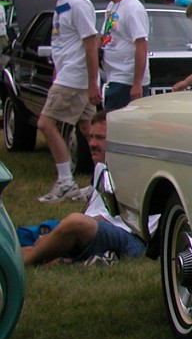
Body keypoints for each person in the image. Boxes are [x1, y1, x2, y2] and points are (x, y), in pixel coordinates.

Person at [21, 113, 146, 267]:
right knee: (27, 234)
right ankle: (57, 258)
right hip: (90, 231)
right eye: (91, 137)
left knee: (75, 222)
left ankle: (26, 263)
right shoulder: (102, 168)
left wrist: (53, 238)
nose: (92, 143)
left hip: (130, 239)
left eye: (100, 138)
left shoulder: (142, 174)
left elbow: (142, 230)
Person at [34, 0, 101, 203]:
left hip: (75, 78)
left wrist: (92, 82)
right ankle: (106, 181)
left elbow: (90, 44)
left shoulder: (78, 3)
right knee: (89, 130)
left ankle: (65, 182)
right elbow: (65, 42)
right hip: (69, 74)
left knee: (46, 124)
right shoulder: (64, 1)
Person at [88, 0, 151, 110]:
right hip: (113, 77)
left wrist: (137, 84)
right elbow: (105, 36)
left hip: (126, 80)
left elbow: (141, 46)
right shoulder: (112, 5)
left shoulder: (132, 9)